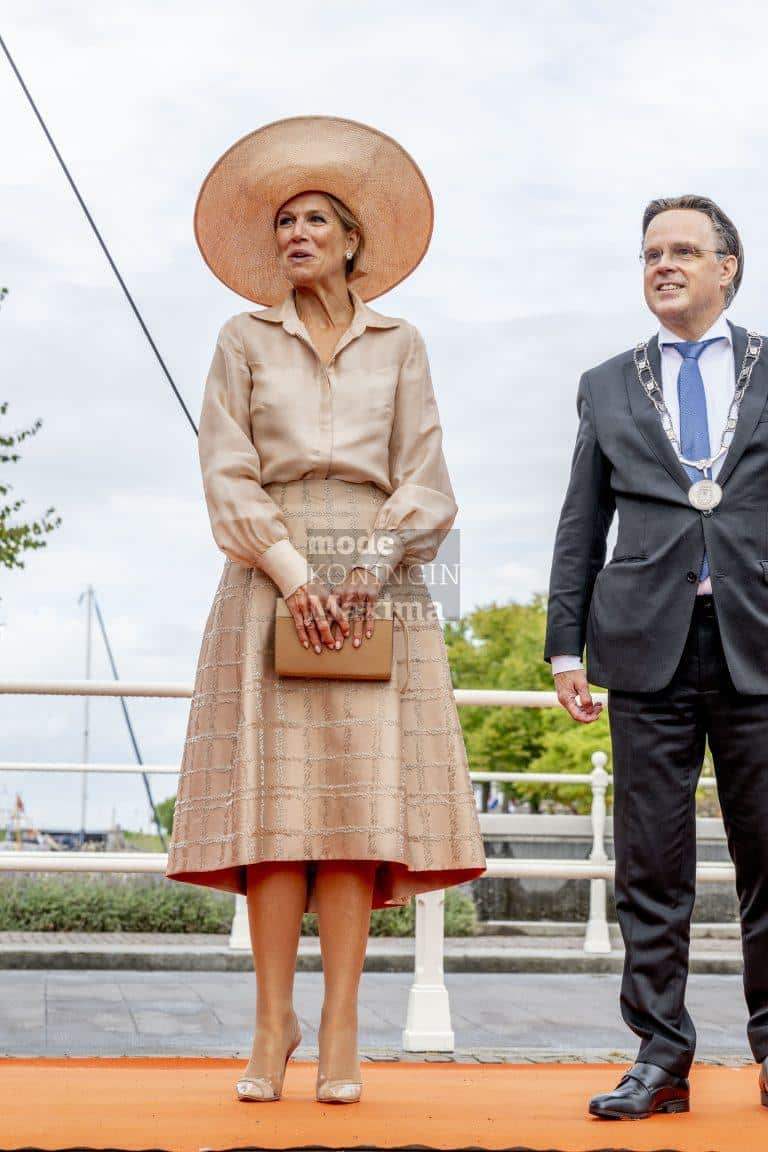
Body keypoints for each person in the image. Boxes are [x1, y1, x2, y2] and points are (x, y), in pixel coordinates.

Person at [166, 116, 485, 1106]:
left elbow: (428, 477)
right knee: (276, 816)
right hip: (269, 576)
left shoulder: (403, 344)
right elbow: (227, 475)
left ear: (353, 239)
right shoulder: (240, 339)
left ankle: (343, 1024)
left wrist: (373, 562)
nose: (296, 234)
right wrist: (300, 574)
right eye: (284, 222)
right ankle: (273, 1025)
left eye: (315, 220)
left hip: (379, 581)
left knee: (352, 814)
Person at [544, 195, 768, 1119]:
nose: (662, 264)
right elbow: (580, 522)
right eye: (649, 253)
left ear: (729, 267)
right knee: (649, 865)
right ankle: (660, 1057)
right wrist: (565, 645)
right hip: (643, 647)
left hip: (759, 640)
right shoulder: (605, 383)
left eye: (683, 250)